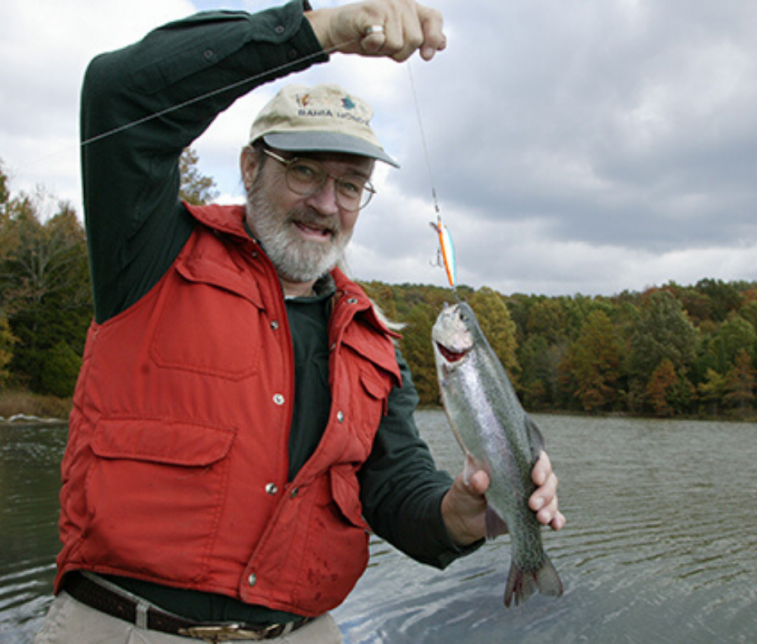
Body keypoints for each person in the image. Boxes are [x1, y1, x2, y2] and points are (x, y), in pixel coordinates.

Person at [36, 1, 565, 642]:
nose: (326, 203)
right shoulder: (150, 253)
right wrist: (318, 32)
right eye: (305, 170)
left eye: (351, 185)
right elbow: (120, 95)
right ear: (250, 167)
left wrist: (458, 514)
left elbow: (396, 490)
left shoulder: (374, 343)